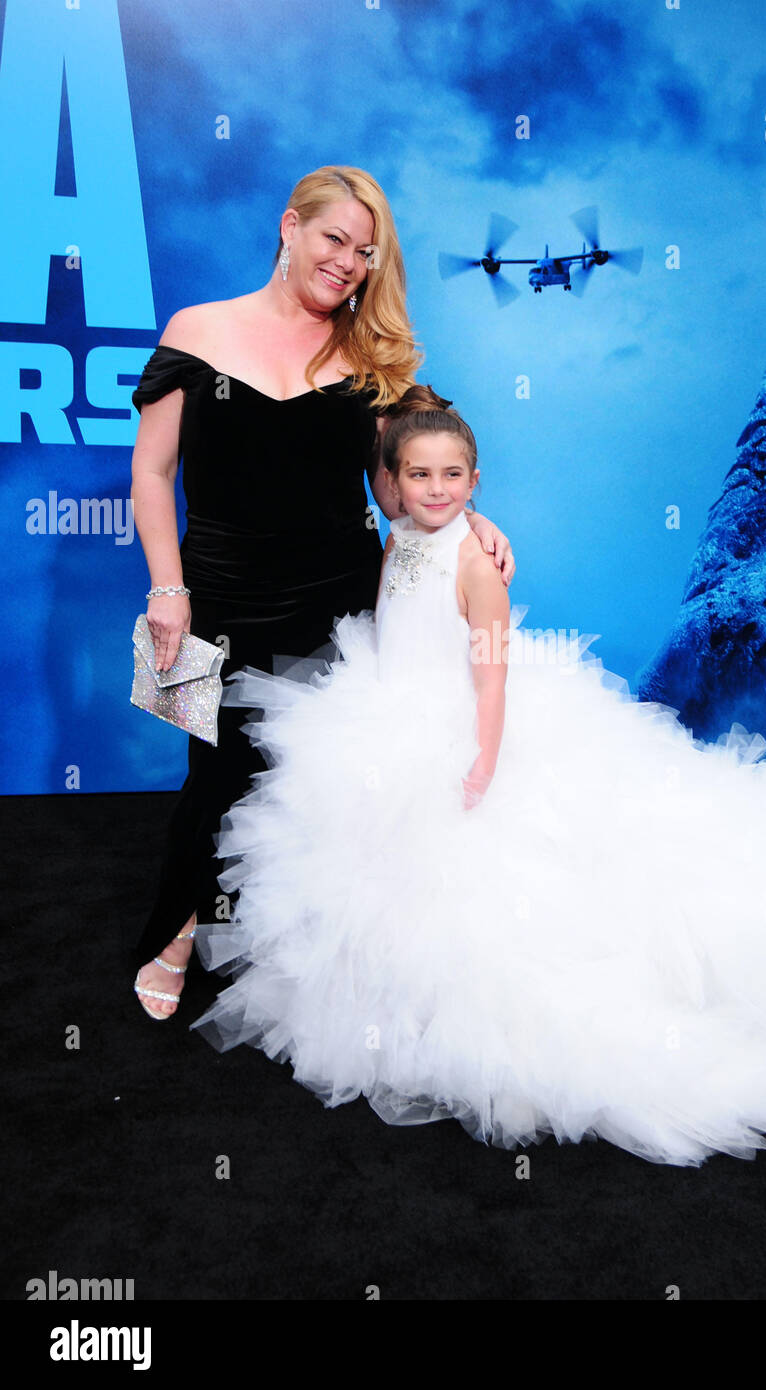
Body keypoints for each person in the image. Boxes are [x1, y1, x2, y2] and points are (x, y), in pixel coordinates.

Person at [189, 388, 766, 1169]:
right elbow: (392, 530)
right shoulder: (397, 538)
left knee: (484, 875)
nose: (434, 489)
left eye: (452, 478)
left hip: (461, 724)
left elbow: (489, 672)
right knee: (368, 861)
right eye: (417, 476)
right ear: (392, 485)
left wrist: (481, 752)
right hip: (389, 707)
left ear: (473, 483)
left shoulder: (474, 563)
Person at [130, 167, 514, 1020]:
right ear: (289, 228)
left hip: (336, 593)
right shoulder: (197, 331)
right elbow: (152, 472)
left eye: (364, 252)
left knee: (312, 774)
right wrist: (167, 588)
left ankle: (300, 946)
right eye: (334, 238)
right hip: (212, 592)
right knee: (212, 771)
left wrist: (470, 525)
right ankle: (181, 928)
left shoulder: (368, 354)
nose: (346, 262)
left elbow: (411, 475)